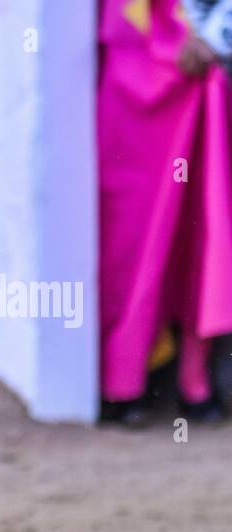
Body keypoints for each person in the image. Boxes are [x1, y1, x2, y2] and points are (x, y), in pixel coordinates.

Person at [98, 0, 232, 425]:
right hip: (131, 71)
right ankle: (124, 375)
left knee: (203, 227)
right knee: (128, 233)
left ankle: (194, 380)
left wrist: (215, 36)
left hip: (198, 71)